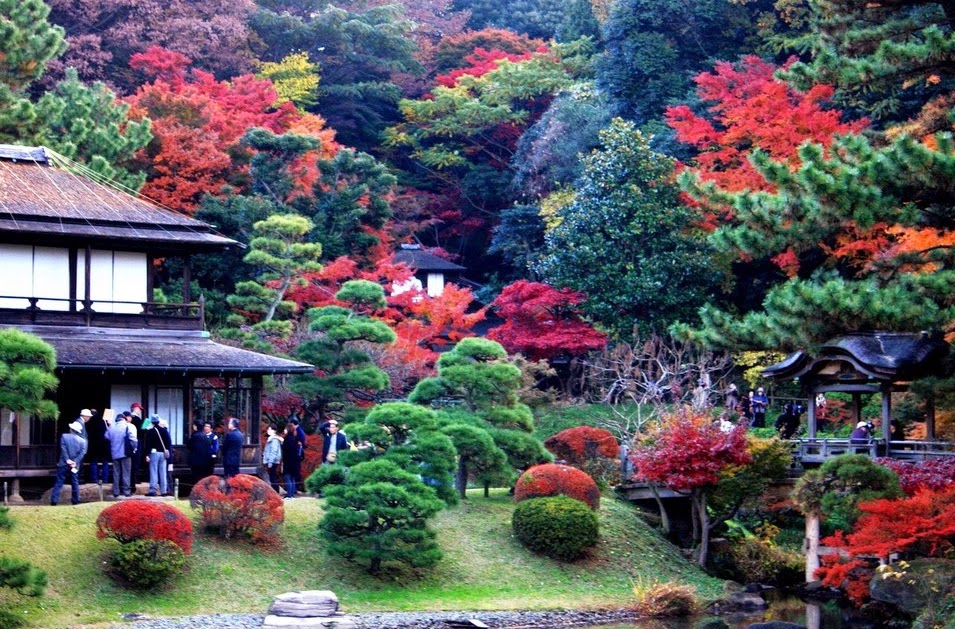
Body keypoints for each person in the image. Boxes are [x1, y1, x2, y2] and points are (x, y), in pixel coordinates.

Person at [51, 421, 88, 506]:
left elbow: (63, 448)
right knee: (75, 481)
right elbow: (82, 453)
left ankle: (54, 499)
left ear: (71, 429)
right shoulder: (83, 441)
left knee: (59, 481)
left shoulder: (64, 436)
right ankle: (75, 500)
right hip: (75, 465)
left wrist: (67, 459)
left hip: (63, 463)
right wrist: (74, 462)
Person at [107, 411, 138, 498]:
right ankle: (126, 491)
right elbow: (133, 439)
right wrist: (134, 448)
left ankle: (116, 491)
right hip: (125, 452)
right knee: (126, 472)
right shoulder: (127, 426)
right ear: (124, 419)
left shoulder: (111, 427)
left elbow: (107, 437)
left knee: (116, 472)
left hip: (114, 453)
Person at [143, 415, 172, 496]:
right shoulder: (165, 431)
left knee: (153, 471)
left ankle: (153, 490)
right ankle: (164, 491)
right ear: (158, 421)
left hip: (154, 453)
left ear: (152, 422)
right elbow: (168, 443)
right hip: (163, 453)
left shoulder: (150, 431)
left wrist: (146, 454)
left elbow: (147, 444)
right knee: (163, 472)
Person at [187, 420, 215, 492]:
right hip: (205, 462)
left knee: (196, 478)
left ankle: (196, 492)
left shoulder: (195, 436)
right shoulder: (205, 436)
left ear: (195, 426)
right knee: (203, 479)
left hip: (196, 462)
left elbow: (189, 446)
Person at [281, 423, 302, 499]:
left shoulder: (287, 439)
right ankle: (292, 494)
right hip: (295, 462)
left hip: (288, 462)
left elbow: (285, 451)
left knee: (287, 477)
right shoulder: (296, 439)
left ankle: (289, 494)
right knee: (292, 478)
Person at [129, 403, 145, 493]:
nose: (140, 410)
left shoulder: (133, 418)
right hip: (136, 440)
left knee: (134, 462)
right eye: (139, 409)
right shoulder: (135, 419)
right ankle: (134, 479)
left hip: (135, 440)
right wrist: (145, 427)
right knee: (135, 461)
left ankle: (134, 478)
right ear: (135, 408)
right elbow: (140, 430)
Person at [263, 423, 283, 494]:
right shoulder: (272, 438)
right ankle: (275, 492)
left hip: (272, 461)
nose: (268, 430)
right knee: (272, 477)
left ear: (273, 430)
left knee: (273, 477)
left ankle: (276, 493)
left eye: (269, 429)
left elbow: (273, 451)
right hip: (272, 461)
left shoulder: (274, 439)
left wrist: (270, 462)